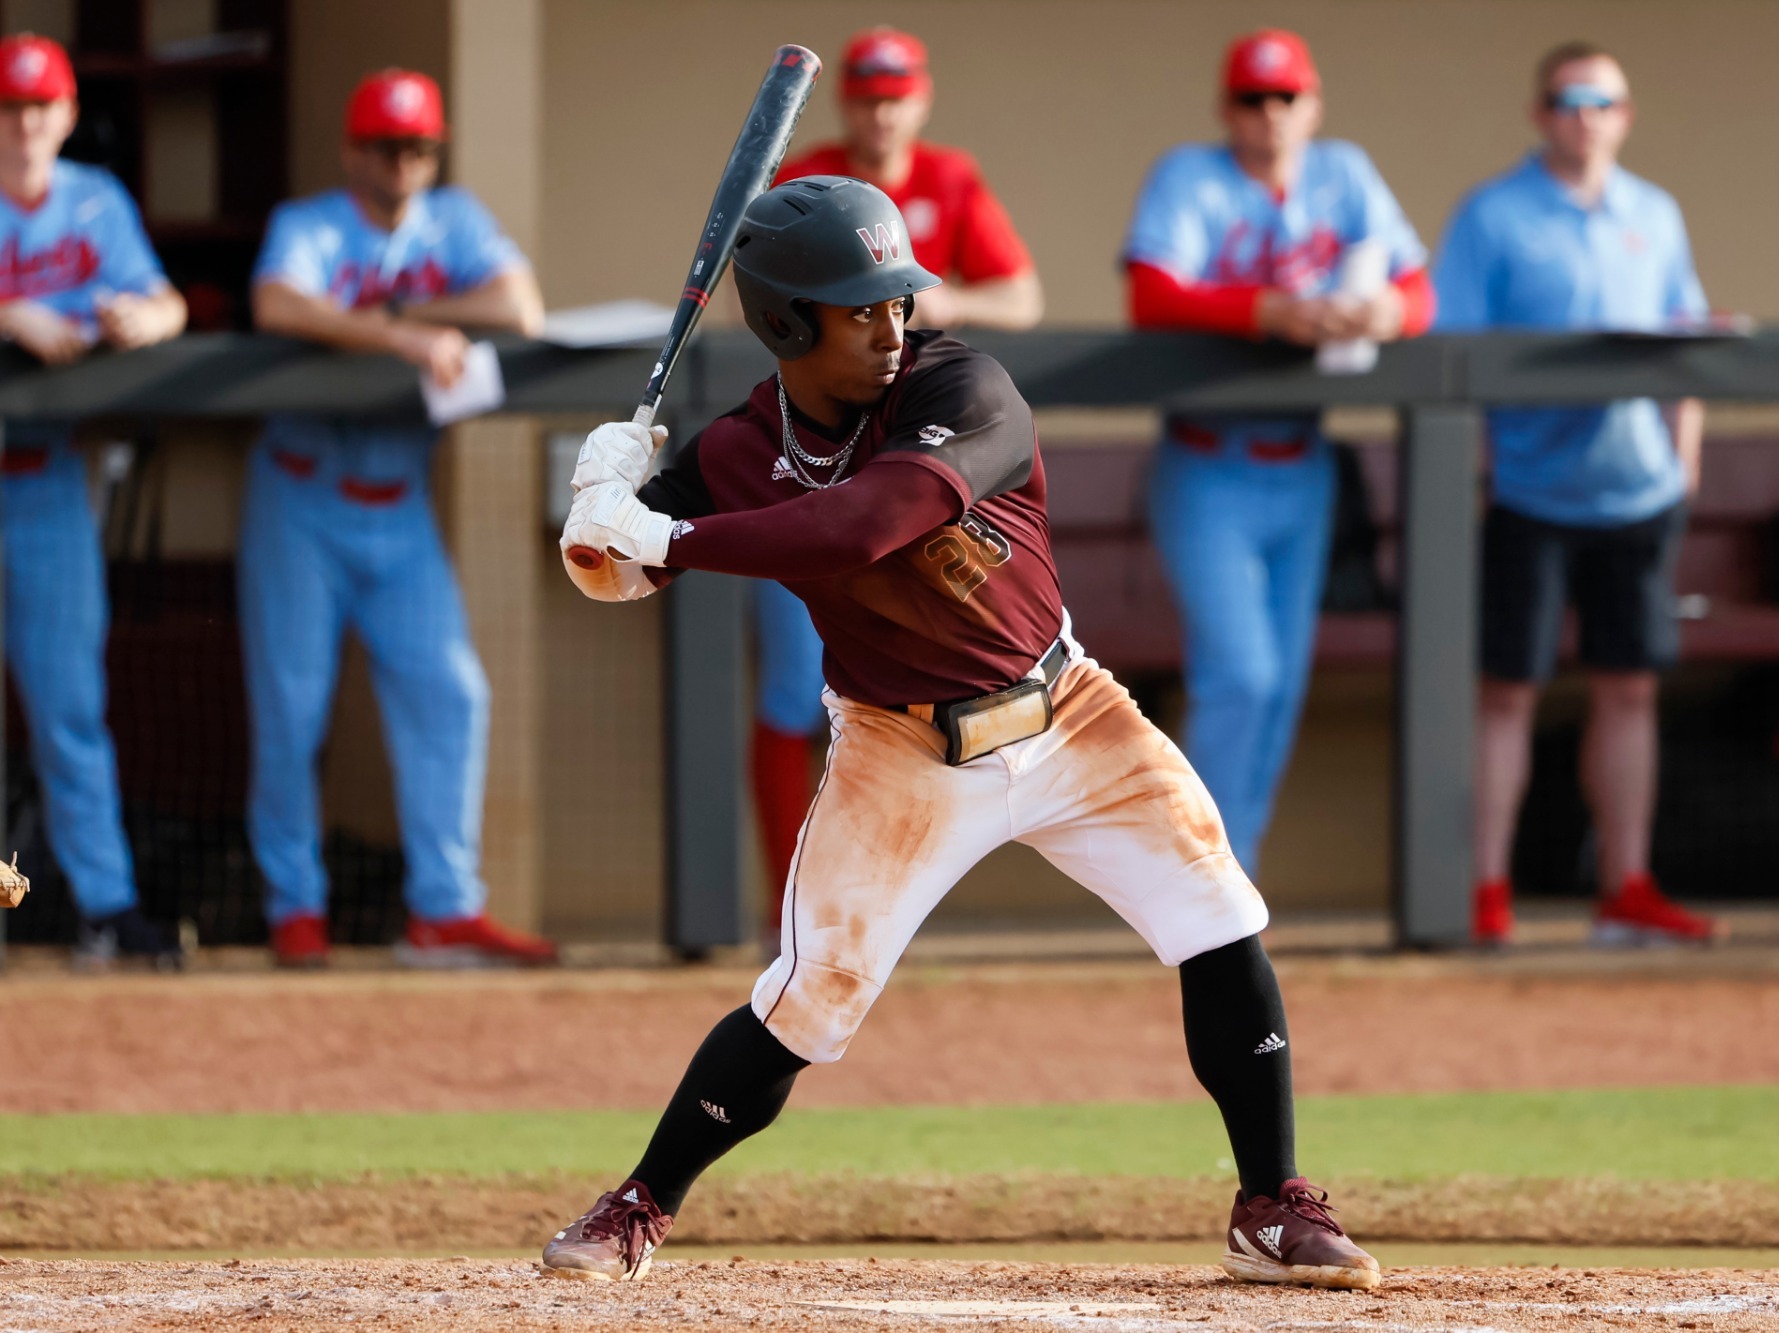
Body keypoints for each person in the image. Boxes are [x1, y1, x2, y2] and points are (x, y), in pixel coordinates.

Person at [543, 177, 1381, 1292]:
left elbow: (860, 524)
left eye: (897, 300)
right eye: (862, 308)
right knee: (811, 995)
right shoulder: (735, 449)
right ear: (788, 323)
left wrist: (667, 528)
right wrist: (601, 505)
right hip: (896, 746)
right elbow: (615, 571)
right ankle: (639, 1203)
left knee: (1217, 915)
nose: (894, 325)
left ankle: (1269, 1201)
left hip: (1066, 711)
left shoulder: (962, 383)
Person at [243, 69, 555, 968]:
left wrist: (401, 310)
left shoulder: (451, 220)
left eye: (418, 146)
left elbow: (518, 307)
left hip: (399, 505)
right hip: (299, 495)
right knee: (292, 714)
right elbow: (278, 303)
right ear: (354, 150)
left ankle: (444, 908)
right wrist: (399, 337)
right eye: (388, 146)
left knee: (452, 692)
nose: (404, 163)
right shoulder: (310, 224)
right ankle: (295, 906)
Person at [747, 26, 1044, 930]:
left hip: (915, 470)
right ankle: (790, 902)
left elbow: (1022, 296)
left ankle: (872, 904)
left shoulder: (949, 178)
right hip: (816, 464)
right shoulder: (815, 177)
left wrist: (933, 299)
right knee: (796, 694)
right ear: (848, 101)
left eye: (897, 91)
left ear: (920, 97)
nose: (882, 108)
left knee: (911, 689)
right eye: (869, 91)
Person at [1121, 29, 1433, 877]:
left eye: (1286, 97)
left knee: (1282, 687)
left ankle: (1234, 874)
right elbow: (1151, 293)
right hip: (1205, 461)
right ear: (1228, 108)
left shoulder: (1344, 172)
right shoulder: (1192, 175)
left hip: (1305, 462)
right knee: (1241, 676)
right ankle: (1192, 875)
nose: (1271, 114)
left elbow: (1418, 286)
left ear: (1312, 104)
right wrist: (1268, 312)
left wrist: (1384, 315)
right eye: (1254, 99)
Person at [1432, 41, 1717, 946]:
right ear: (1540, 112)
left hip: (1638, 495)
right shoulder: (1492, 216)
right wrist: (1475, 478)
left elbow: (1688, 340)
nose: (1585, 115)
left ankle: (1626, 883)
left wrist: (1685, 460)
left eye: (1603, 100)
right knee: (1508, 693)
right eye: (1567, 99)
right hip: (1527, 494)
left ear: (1626, 115)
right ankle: (1484, 894)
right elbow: (1452, 361)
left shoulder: (1657, 214)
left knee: (1630, 690)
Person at [0, 33, 186, 969]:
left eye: (40, 105)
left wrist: (143, 317)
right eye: (9, 106)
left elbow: (165, 303)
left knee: (71, 710)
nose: (25, 122)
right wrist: (8, 314)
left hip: (43, 486)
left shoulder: (94, 201)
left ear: (67, 114)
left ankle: (107, 910)